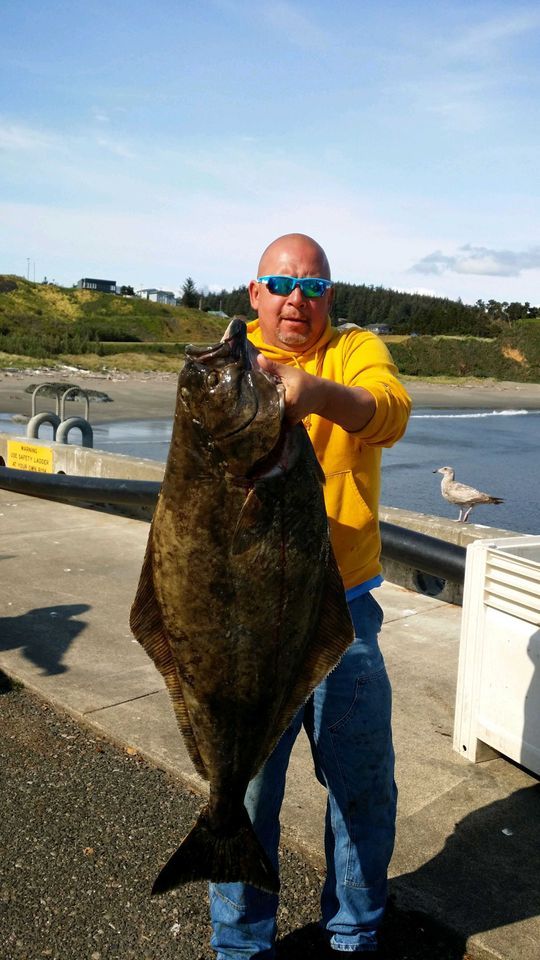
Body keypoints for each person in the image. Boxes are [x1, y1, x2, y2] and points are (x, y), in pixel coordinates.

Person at [209, 233, 411, 958]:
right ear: (254, 292)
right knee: (246, 790)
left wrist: (318, 393)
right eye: (282, 283)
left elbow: (390, 411)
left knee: (363, 788)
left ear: (330, 297)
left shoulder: (354, 350)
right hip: (248, 619)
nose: (298, 299)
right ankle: (240, 943)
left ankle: (354, 933)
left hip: (344, 611)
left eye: (315, 287)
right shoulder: (227, 369)